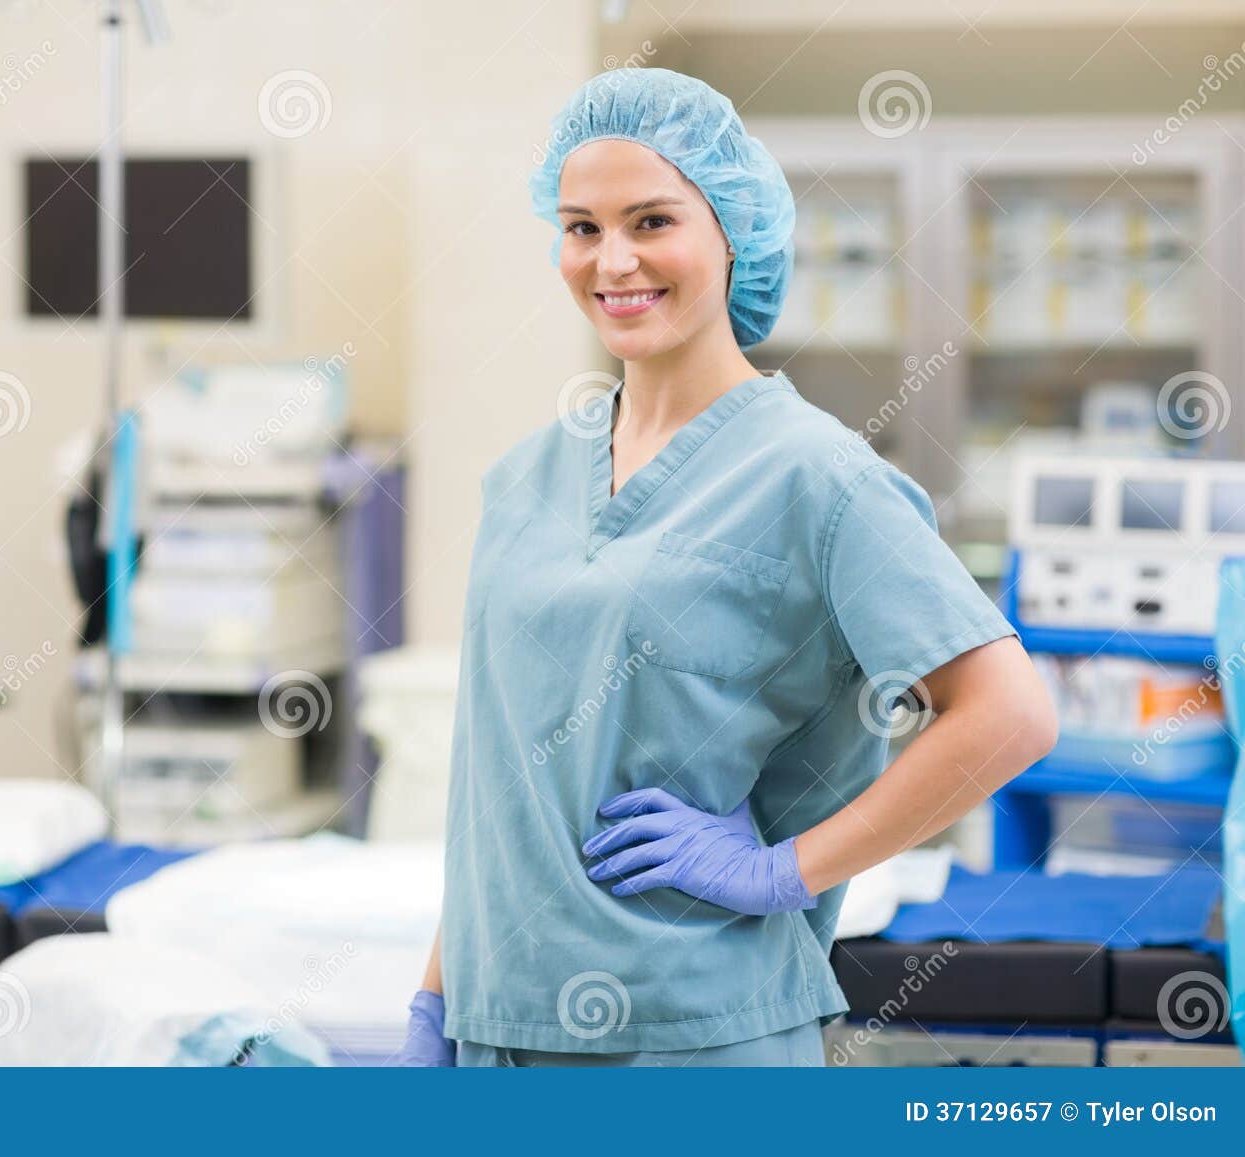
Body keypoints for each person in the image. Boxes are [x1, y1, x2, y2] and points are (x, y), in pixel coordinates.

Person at [394, 67, 1057, 1068]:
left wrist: (781, 870)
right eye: (581, 227)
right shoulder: (525, 477)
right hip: (497, 1028)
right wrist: (438, 995)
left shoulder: (815, 475)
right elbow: (496, 775)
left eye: (651, 220)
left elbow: (1009, 712)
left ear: (732, 233)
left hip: (692, 1037)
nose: (611, 259)